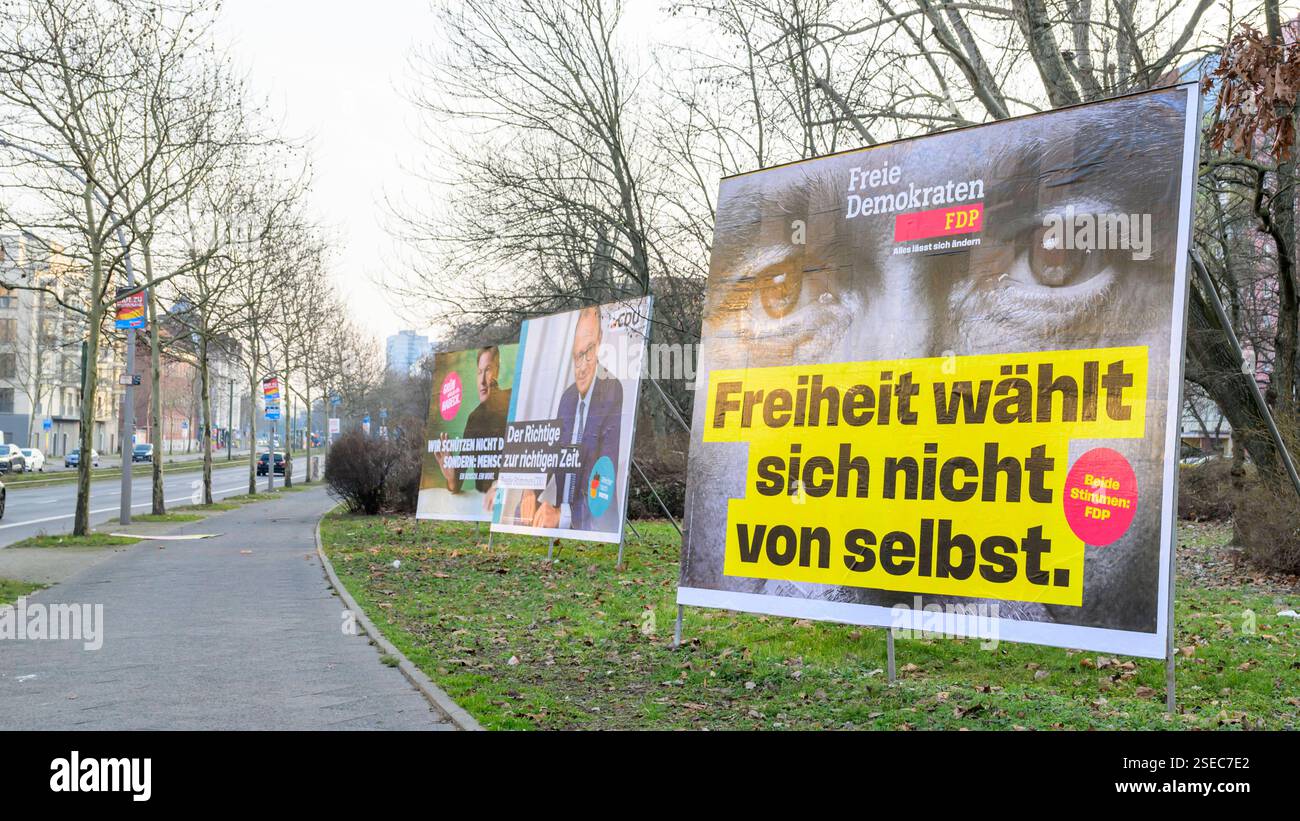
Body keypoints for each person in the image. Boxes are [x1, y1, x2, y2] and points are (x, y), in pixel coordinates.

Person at [521, 305, 623, 532]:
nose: (582, 366)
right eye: (577, 355)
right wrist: (530, 489)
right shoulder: (567, 397)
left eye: (589, 351)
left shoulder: (612, 389)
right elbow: (553, 454)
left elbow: (604, 478)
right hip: (564, 530)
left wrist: (562, 514)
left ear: (600, 342)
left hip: (596, 527)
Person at [434, 346, 511, 510]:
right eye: (479, 372)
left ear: (498, 370)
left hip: (513, 505)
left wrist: (501, 484)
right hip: (485, 508)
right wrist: (451, 479)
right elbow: (457, 482)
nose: (482, 381)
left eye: (488, 370)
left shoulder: (514, 400)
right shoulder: (475, 418)